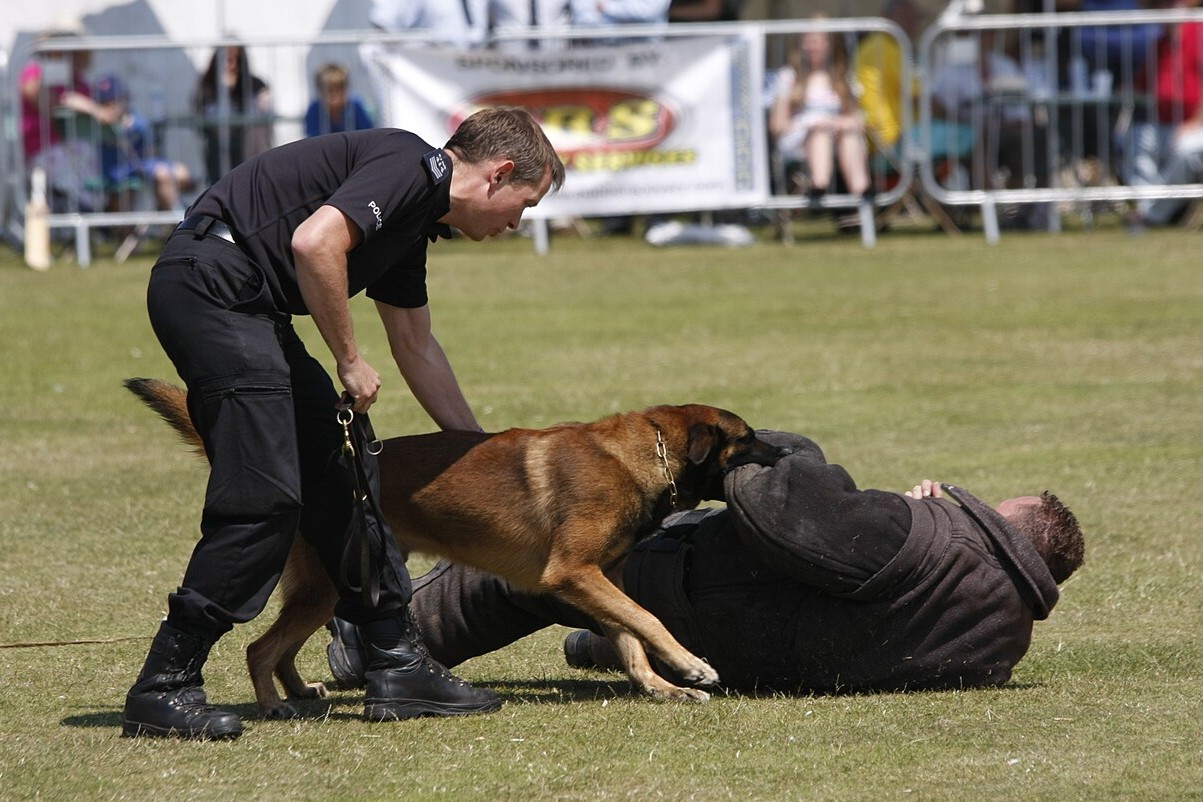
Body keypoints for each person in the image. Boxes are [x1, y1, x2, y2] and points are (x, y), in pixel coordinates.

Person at [121, 107, 566, 741]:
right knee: (266, 495)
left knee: (348, 481)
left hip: (250, 306)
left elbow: (416, 344)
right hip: (209, 286)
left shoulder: (412, 222)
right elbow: (314, 241)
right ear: (498, 174)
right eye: (525, 203)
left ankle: (397, 663)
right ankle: (164, 684)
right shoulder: (409, 163)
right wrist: (350, 360)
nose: (517, 223)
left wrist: (479, 450)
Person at [325, 430, 1085, 696]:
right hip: (768, 657)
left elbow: (783, 522)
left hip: (713, 601)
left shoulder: (923, 537)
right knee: (586, 610)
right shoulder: (1000, 642)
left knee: (529, 574)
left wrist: (774, 449)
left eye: (980, 506)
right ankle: (596, 649)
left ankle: (367, 646)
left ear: (1001, 526)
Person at [768, 22, 872, 206]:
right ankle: (819, 184)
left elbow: (860, 119)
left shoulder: (842, 78)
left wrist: (839, 123)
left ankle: (862, 191)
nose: (813, 47)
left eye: (818, 41)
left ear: (830, 44)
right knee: (820, 132)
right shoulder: (789, 77)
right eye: (808, 41)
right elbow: (777, 125)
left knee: (848, 134)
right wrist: (812, 124)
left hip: (835, 137)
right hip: (799, 140)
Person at [1120, 0, 1203, 229]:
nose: (1165, 7)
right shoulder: (1161, 43)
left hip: (1195, 125)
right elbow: (1141, 86)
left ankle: (1154, 216)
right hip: (1165, 124)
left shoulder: (1199, 33)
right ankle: (1152, 210)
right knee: (1135, 140)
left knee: (1187, 149)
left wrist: (1196, 122)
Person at [19, 19, 104, 213]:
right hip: (41, 150)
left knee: (91, 159)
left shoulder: (77, 80)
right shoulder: (34, 73)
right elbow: (41, 99)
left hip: (75, 149)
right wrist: (69, 100)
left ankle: (92, 217)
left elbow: (93, 105)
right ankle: (82, 215)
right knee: (70, 164)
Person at [92, 74, 196, 213]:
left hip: (142, 164)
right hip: (120, 170)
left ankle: (167, 212)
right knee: (163, 175)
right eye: (106, 104)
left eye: (115, 102)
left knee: (183, 174)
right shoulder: (98, 125)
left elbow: (150, 150)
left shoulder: (137, 121)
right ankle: (177, 219)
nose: (112, 107)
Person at [195, 44, 273, 184]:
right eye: (225, 60)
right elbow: (206, 118)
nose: (229, 65)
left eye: (234, 60)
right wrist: (225, 90)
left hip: (249, 147)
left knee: (256, 133)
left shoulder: (254, 83)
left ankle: (258, 175)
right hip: (219, 148)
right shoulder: (207, 85)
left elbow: (262, 110)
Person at [304, 63, 375, 138]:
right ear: (320, 92)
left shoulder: (356, 106)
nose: (336, 97)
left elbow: (367, 135)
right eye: (330, 92)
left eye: (340, 90)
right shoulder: (314, 109)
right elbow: (313, 139)